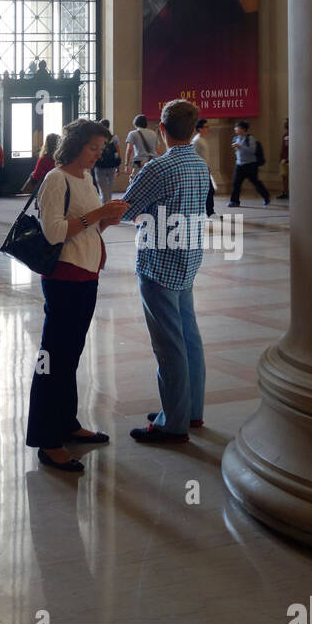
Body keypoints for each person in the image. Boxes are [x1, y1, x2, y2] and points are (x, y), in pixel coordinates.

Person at [25, 120, 129, 471]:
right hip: (65, 277)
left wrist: (107, 220)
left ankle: (67, 423)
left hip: (86, 273)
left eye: (101, 148)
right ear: (75, 146)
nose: (98, 154)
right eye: (93, 148)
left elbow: (88, 226)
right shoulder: (57, 179)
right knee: (52, 358)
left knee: (70, 355)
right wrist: (98, 214)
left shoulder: (85, 178)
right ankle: (47, 440)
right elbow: (54, 233)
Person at [122, 99, 211, 444]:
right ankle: (190, 410)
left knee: (169, 345)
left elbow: (128, 209)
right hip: (188, 260)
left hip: (158, 262)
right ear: (193, 130)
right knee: (189, 337)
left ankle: (173, 423)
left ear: (162, 129)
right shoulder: (200, 166)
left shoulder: (157, 168)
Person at [228, 120, 270, 207]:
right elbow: (237, 152)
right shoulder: (235, 138)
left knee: (255, 182)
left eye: (237, 127)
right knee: (236, 183)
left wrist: (240, 146)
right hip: (239, 165)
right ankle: (234, 201)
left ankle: (266, 196)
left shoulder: (250, 138)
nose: (235, 129)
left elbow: (252, 150)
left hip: (250, 165)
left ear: (243, 129)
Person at [191, 117, 216, 217]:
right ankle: (209, 212)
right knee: (209, 191)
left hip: (204, 169)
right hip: (200, 170)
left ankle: (209, 212)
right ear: (200, 128)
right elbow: (193, 156)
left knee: (208, 191)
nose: (208, 128)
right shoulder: (197, 141)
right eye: (206, 127)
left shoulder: (201, 139)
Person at [93, 118, 122, 204]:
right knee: (109, 188)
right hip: (112, 165)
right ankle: (108, 203)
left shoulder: (97, 138)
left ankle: (105, 205)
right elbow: (118, 153)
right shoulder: (114, 137)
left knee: (102, 189)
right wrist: (118, 166)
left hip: (100, 166)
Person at [278, 118, 289, 199]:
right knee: (284, 176)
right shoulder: (285, 135)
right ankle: (285, 192)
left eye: (285, 123)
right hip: (283, 159)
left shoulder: (291, 135)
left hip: (287, 159)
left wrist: (287, 158)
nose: (284, 124)